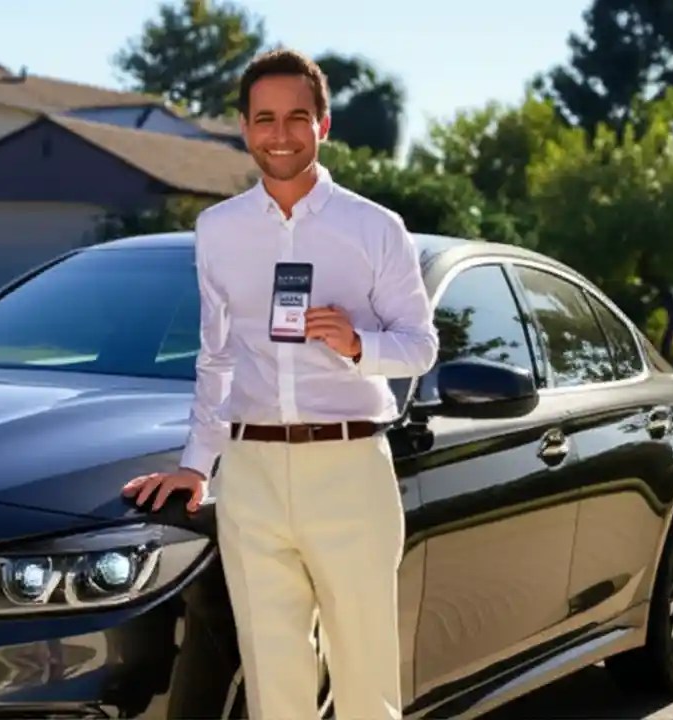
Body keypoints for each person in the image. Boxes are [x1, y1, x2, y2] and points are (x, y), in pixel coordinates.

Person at [122, 49, 438, 720]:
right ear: (244, 127)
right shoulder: (218, 230)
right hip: (252, 476)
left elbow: (421, 347)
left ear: (324, 125)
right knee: (273, 682)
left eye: (298, 117)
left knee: (366, 682)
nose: (281, 134)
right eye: (265, 119)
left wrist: (359, 344)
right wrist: (196, 464)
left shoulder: (375, 229)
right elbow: (217, 358)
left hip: (350, 469)